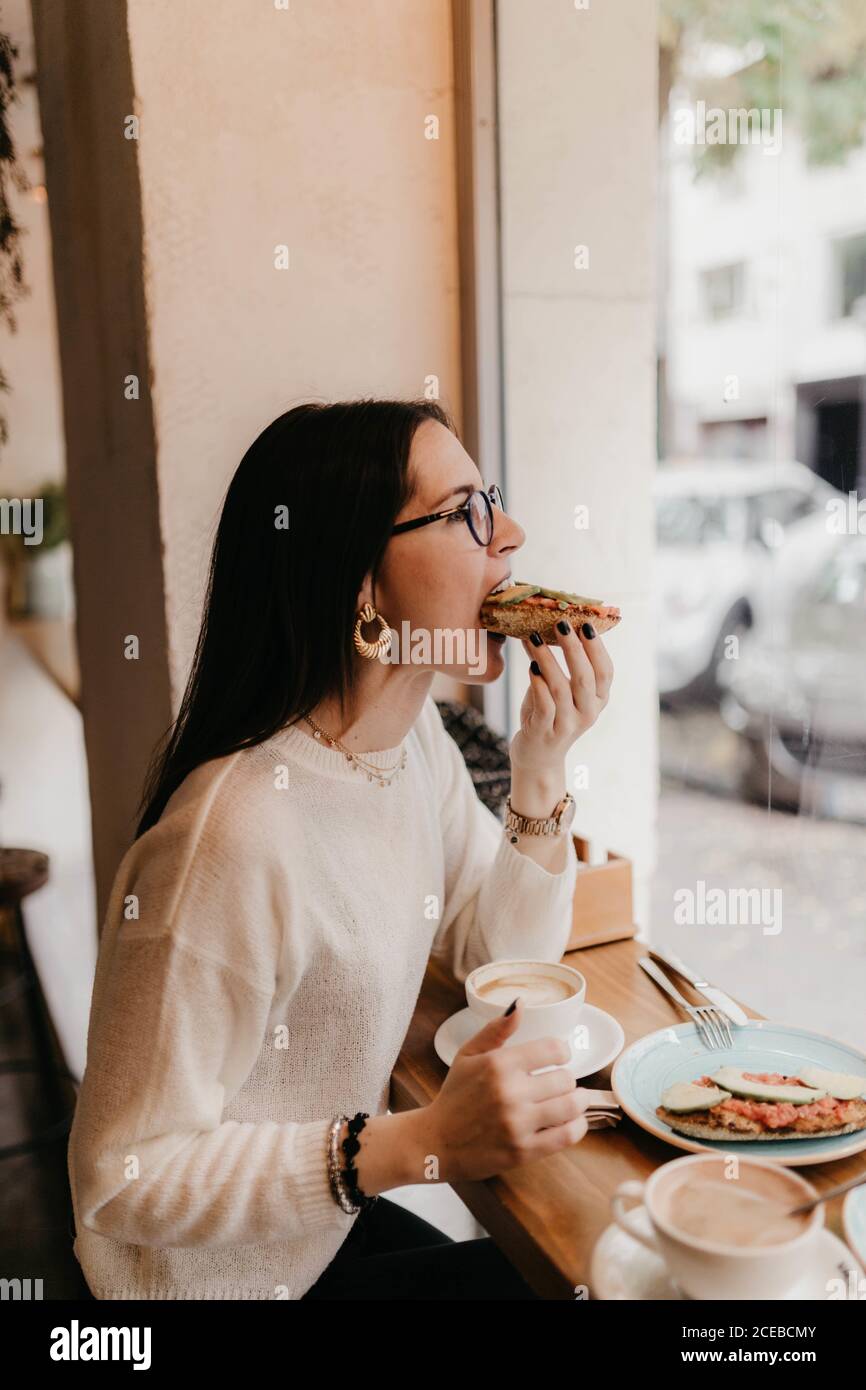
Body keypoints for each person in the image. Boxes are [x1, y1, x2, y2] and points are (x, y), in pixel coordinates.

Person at [67, 398, 614, 1299]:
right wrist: (417, 1142)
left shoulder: (414, 748)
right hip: (205, 1287)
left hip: (311, 1237)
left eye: (498, 502)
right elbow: (120, 1176)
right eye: (468, 512)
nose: (510, 535)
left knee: (581, 1272)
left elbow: (504, 963)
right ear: (364, 583)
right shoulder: (232, 837)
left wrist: (543, 768)